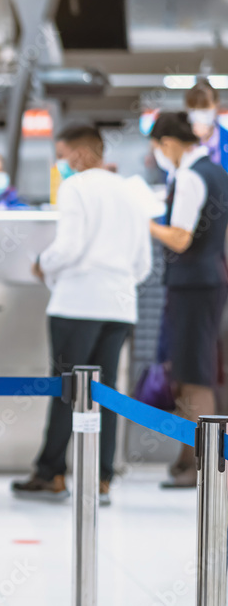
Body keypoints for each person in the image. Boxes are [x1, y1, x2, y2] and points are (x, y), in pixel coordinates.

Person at [12, 124, 152, 504]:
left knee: (65, 389)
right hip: (120, 306)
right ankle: (101, 479)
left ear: (77, 154)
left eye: (62, 154)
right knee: (106, 392)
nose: (61, 164)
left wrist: (43, 263)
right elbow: (144, 263)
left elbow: (69, 247)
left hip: (77, 303)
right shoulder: (131, 190)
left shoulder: (75, 187)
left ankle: (50, 473)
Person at [148, 111, 228, 488]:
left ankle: (200, 465)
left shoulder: (190, 175)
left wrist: (144, 222)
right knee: (191, 369)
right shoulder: (217, 172)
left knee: (194, 373)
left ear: (167, 144)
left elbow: (181, 237)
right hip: (206, 280)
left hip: (194, 284)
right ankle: (190, 459)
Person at [185, 78, 228, 173]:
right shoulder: (183, 142)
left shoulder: (226, 139)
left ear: (216, 105)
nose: (198, 113)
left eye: (204, 107)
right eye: (194, 108)